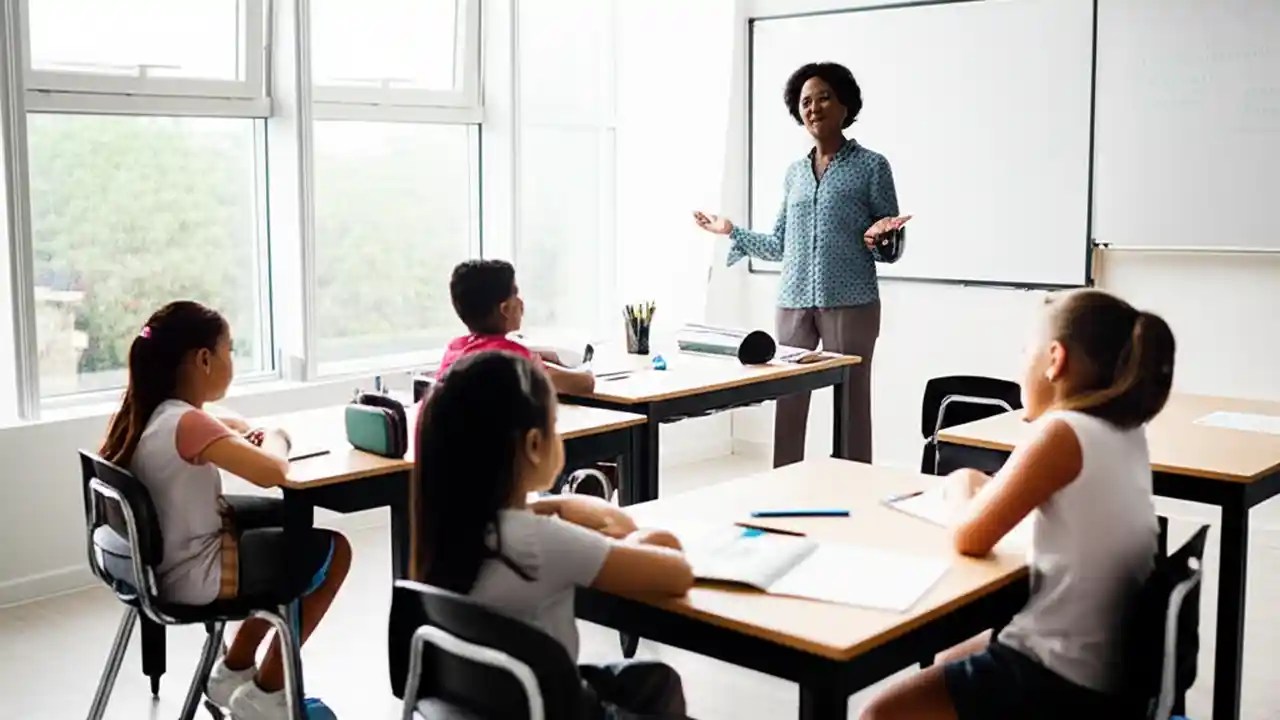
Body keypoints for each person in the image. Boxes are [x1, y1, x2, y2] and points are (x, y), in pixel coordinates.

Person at [860, 289, 1176, 720]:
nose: (1020, 362)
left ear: (1054, 359)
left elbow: (970, 537)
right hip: (1110, 666)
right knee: (948, 658)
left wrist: (959, 487)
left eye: (1026, 350)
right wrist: (978, 487)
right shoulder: (1125, 431)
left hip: (1061, 674)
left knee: (879, 712)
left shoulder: (1061, 433)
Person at [101, 301, 351, 720]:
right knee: (334, 550)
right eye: (229, 350)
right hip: (196, 577)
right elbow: (271, 470)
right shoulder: (188, 424)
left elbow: (217, 423)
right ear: (203, 359)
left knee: (282, 523)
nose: (231, 359)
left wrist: (233, 430)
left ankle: (233, 671)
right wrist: (276, 435)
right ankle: (267, 694)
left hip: (158, 569)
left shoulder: (149, 414)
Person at [413, 351, 695, 718]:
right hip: (547, 709)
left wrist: (552, 508)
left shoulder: (445, 528)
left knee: (654, 680)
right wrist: (615, 535)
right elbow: (676, 570)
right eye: (555, 423)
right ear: (533, 445)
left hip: (488, 704)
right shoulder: (538, 542)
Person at [694, 61, 911, 467]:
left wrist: (879, 240)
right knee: (789, 398)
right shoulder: (795, 173)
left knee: (851, 399)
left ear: (846, 105)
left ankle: (853, 481)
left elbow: (890, 243)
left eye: (824, 97)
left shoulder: (872, 166)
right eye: (805, 101)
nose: (814, 108)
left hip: (851, 300)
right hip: (793, 299)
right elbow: (779, 244)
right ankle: (784, 480)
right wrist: (731, 231)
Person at [439, 259, 596, 395]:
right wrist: (587, 368)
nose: (521, 303)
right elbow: (583, 384)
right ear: (505, 309)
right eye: (515, 294)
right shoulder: (512, 360)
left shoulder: (455, 349)